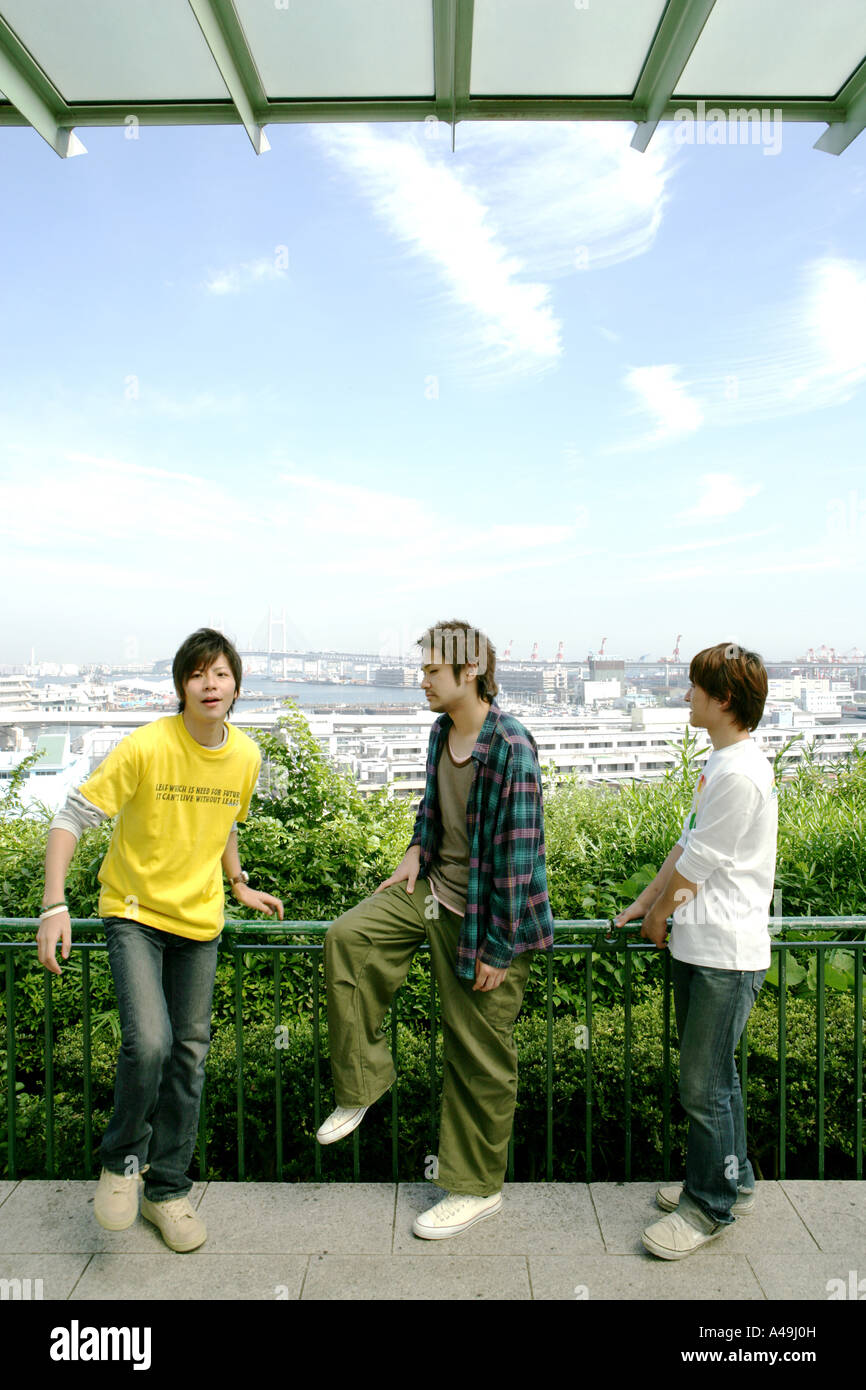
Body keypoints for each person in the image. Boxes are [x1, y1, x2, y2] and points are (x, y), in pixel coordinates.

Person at [36, 628, 283, 1252]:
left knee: (189, 1058)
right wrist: (53, 904)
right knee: (150, 1043)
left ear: (235, 687)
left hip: (200, 924)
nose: (210, 684)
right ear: (181, 685)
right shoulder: (146, 746)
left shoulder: (246, 757)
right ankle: (122, 1162)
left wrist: (237, 881)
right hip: (134, 912)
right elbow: (71, 818)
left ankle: (168, 1190)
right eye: (198, 674)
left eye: (221, 674)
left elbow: (224, 819)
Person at [319, 620, 554, 1238]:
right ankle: (362, 1083)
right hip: (432, 890)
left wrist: (498, 949)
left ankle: (476, 1188)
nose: (420, 679)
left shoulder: (511, 746)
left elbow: (519, 859)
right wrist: (414, 849)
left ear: (469, 671)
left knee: (477, 1053)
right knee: (348, 937)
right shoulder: (440, 732)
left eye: (429, 670)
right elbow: (432, 808)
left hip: (487, 917)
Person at [614, 642, 778, 1259]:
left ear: (724, 699)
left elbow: (701, 864)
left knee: (702, 1085)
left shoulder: (740, 772)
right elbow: (685, 849)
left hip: (723, 952)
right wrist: (645, 902)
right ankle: (734, 1181)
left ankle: (707, 1206)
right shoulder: (726, 761)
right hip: (704, 946)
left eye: (694, 688)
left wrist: (659, 916)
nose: (686, 697)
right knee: (720, 1080)